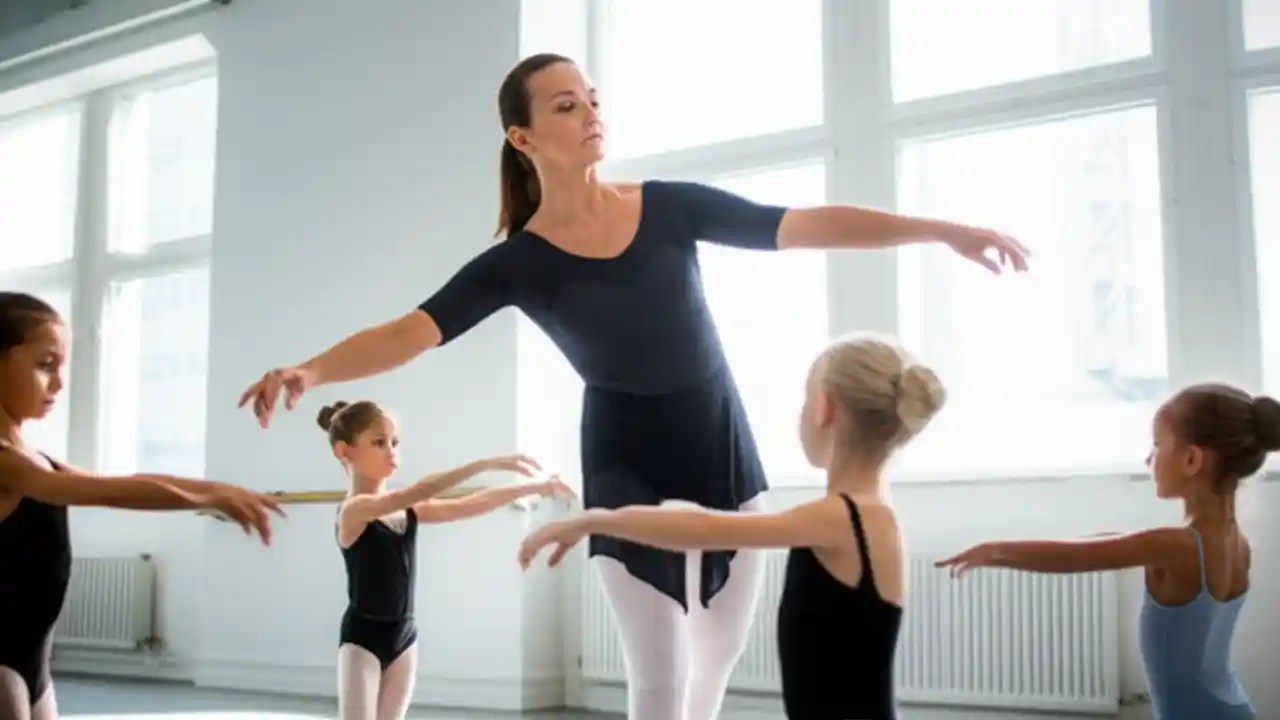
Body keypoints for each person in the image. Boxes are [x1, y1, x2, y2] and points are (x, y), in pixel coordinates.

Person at [237, 53, 1028, 720]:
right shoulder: (518, 263)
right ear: (522, 137)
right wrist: (312, 370)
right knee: (658, 677)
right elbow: (411, 331)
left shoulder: (669, 207)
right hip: (623, 460)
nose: (590, 113)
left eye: (591, 99)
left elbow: (801, 224)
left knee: (713, 668)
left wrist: (942, 230)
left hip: (721, 444)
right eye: (565, 105)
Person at [519, 332, 944, 719]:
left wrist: (597, 519)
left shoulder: (844, 517)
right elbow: (699, 524)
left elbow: (702, 529)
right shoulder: (869, 514)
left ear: (824, 408)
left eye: (805, 398)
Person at [0, 291, 283, 720]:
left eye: (62, 367)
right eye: (45, 365)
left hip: (33, 664)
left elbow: (121, 482)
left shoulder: (35, 459)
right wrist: (208, 498)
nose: (59, 383)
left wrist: (216, 486)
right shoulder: (8, 463)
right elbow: (106, 494)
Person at [937, 383, 1278, 720]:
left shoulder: (1176, 546)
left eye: (1157, 444)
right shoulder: (1236, 543)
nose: (1148, 458)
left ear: (1191, 459)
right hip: (1232, 708)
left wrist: (994, 550)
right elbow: (1108, 544)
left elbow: (1079, 557)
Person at [318, 399, 571, 720]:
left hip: (405, 638)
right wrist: (485, 464)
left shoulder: (405, 511)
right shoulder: (354, 510)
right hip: (362, 641)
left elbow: (471, 504)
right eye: (379, 443)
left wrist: (536, 487)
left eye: (395, 442)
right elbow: (416, 491)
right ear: (345, 451)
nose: (391, 451)